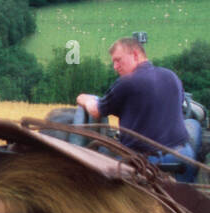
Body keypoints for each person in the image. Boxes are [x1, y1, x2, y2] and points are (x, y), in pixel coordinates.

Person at [76, 37, 195, 181]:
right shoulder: (171, 76)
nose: (115, 66)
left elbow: (96, 111)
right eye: (113, 62)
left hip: (147, 163)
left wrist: (84, 98)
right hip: (183, 156)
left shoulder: (126, 83)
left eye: (118, 60)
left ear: (135, 55)